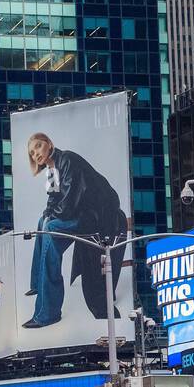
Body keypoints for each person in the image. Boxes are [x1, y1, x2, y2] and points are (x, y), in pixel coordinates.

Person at [22, 132, 128, 328]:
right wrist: (47, 213)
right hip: (79, 214)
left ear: (49, 143)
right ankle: (38, 284)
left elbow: (69, 202)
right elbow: (53, 200)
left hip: (96, 216)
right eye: (31, 153)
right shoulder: (52, 170)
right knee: (42, 222)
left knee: (50, 229)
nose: (35, 154)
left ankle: (48, 313)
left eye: (37, 146)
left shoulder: (67, 159)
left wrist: (52, 217)